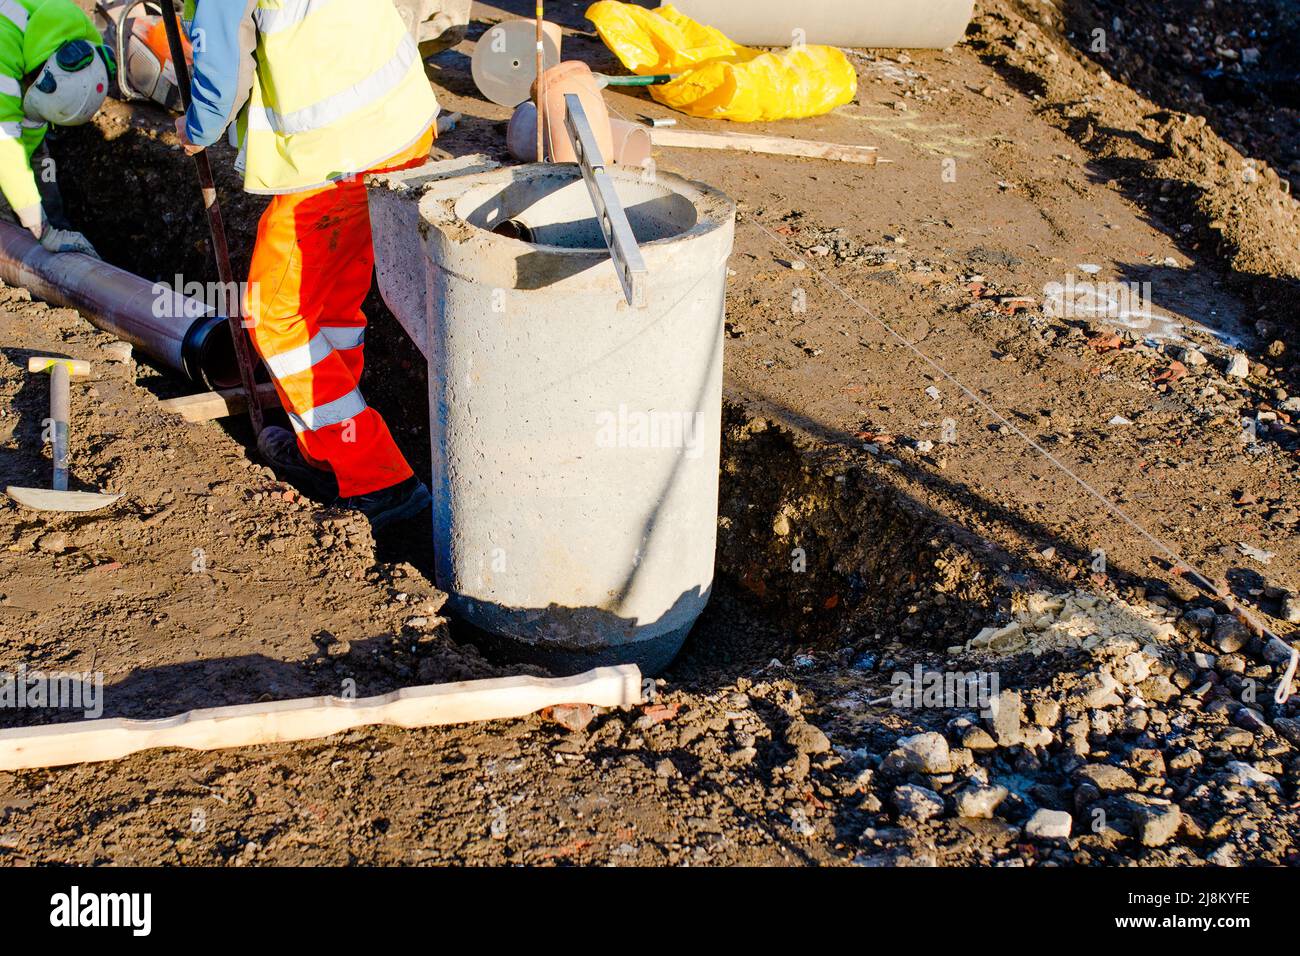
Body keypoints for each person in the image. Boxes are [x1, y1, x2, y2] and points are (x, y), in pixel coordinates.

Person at [174, 0, 439, 528]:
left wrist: (197, 127)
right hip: (402, 128)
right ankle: (329, 447)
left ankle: (377, 477)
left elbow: (222, 77)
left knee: (277, 318)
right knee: (332, 302)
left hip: (335, 156)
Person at [0, 0, 114, 257]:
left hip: (26, 131)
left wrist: (53, 222)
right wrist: (41, 229)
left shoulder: (68, 27)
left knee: (44, 170)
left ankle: (57, 218)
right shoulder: (3, 53)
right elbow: (5, 143)